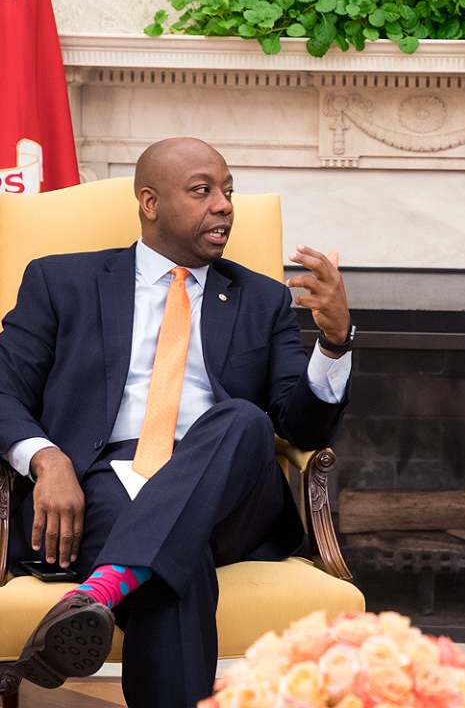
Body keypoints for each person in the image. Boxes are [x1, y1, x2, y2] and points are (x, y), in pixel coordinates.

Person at [0, 137, 354, 708]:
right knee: (175, 568)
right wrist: (47, 458)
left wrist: (334, 344)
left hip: (232, 491)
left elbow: (303, 427)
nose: (224, 206)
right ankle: (122, 579)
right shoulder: (60, 281)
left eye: (228, 192)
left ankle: (103, 587)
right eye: (202, 191)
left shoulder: (261, 298)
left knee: (241, 420)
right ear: (150, 202)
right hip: (105, 483)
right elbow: (3, 388)